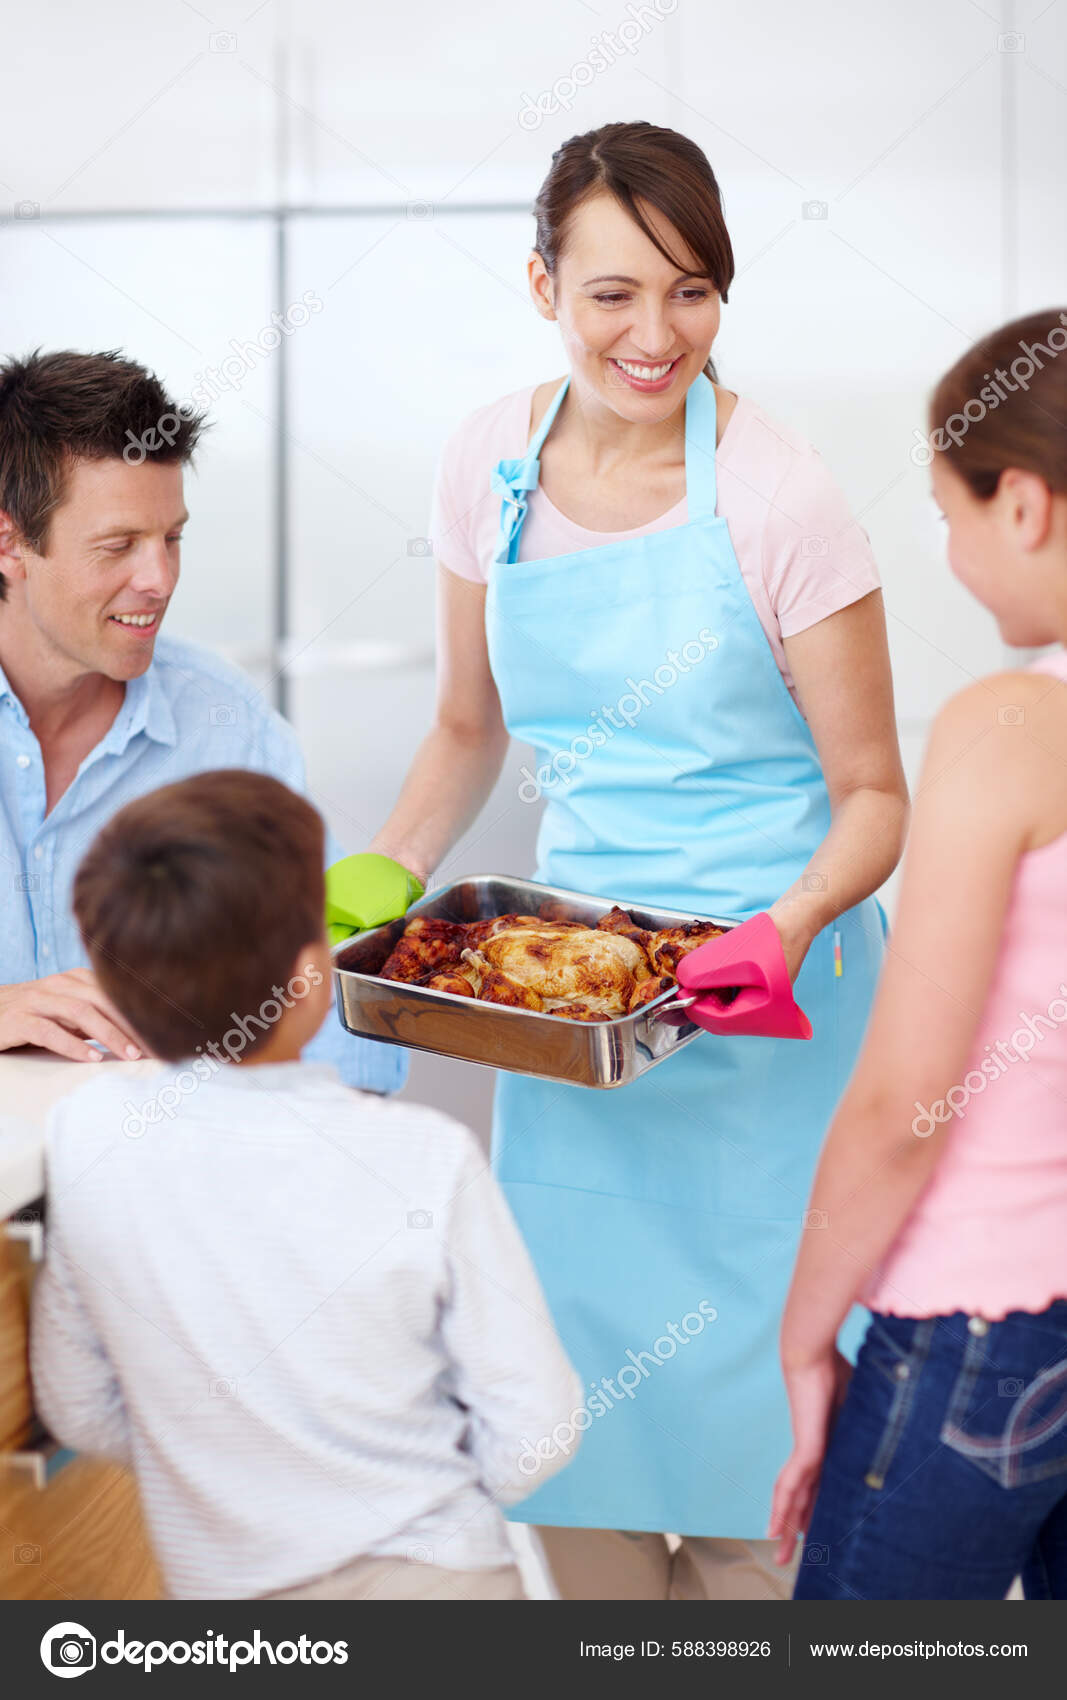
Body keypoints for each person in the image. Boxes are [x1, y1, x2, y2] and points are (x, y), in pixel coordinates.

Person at [367, 121, 909, 1600]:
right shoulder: (488, 464)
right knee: (575, 1441)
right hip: (577, 1024)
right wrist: (381, 878)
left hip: (767, 1028)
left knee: (757, 1489)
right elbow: (464, 727)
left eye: (689, 293)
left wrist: (787, 923)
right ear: (542, 283)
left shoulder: (774, 491)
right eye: (611, 294)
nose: (653, 335)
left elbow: (871, 791)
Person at [30, 770, 580, 1601]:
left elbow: (78, 1409)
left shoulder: (88, 1138)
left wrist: (225, 1473)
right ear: (313, 976)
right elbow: (536, 1430)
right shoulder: (425, 1156)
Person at [771, 308, 1067, 1601]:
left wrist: (799, 1337)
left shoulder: (1005, 723)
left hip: (976, 1333)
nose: (945, 556)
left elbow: (904, 1101)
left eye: (945, 516)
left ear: (1020, 504)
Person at [0, 348, 400, 1091]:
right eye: (118, 546)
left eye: (172, 538)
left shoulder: (227, 728)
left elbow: (345, 1033)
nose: (159, 580)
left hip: (169, 1188)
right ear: (10, 543)